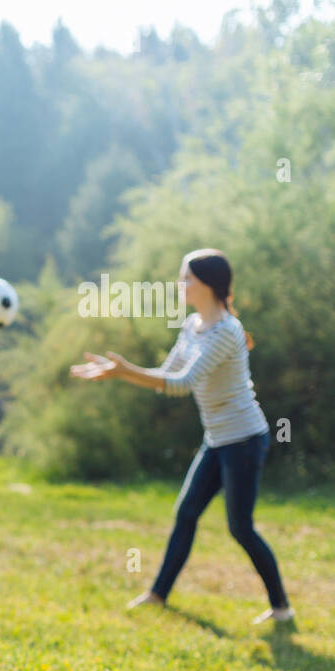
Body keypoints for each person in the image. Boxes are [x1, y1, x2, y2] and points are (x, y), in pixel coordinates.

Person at [70, 249, 293, 624]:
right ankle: (157, 595)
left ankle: (281, 608)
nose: (180, 284)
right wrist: (118, 369)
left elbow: (181, 384)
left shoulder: (226, 331)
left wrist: (126, 372)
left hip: (243, 440)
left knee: (240, 527)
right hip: (216, 439)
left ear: (209, 284)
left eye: (186, 278)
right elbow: (167, 371)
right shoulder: (192, 325)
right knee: (186, 512)